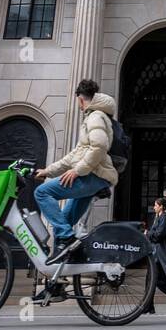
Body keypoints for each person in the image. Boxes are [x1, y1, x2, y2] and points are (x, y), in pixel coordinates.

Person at [33, 78, 119, 261]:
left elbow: (99, 147)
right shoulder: (92, 117)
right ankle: (59, 279)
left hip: (94, 176)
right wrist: (48, 171)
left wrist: (77, 171)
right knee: (63, 222)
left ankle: (67, 239)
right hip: (94, 177)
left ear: (81, 98)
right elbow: (74, 155)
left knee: (41, 193)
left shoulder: (95, 116)